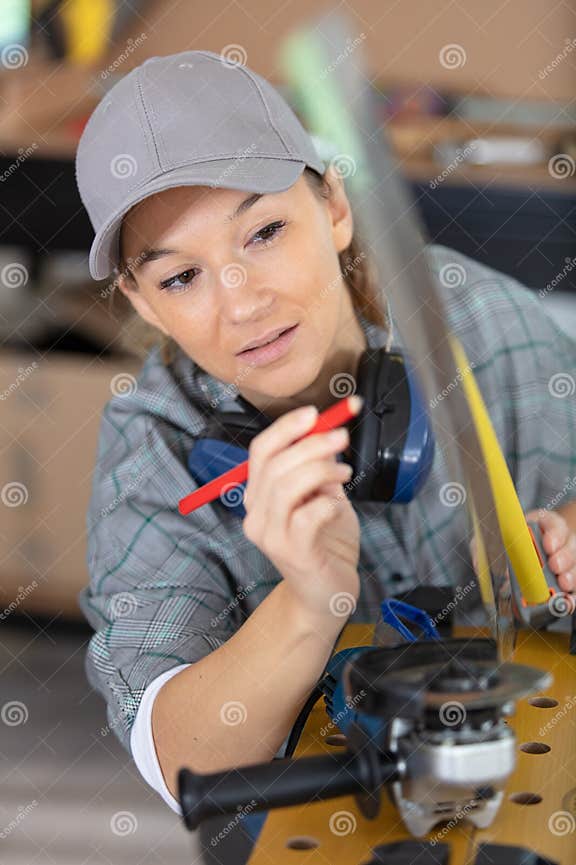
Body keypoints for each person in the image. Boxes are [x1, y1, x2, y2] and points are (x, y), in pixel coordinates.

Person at [75, 49, 576, 837]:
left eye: (265, 231)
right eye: (180, 277)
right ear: (141, 299)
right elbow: (181, 763)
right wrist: (308, 601)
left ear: (335, 207)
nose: (241, 303)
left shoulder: (473, 322)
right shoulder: (153, 457)